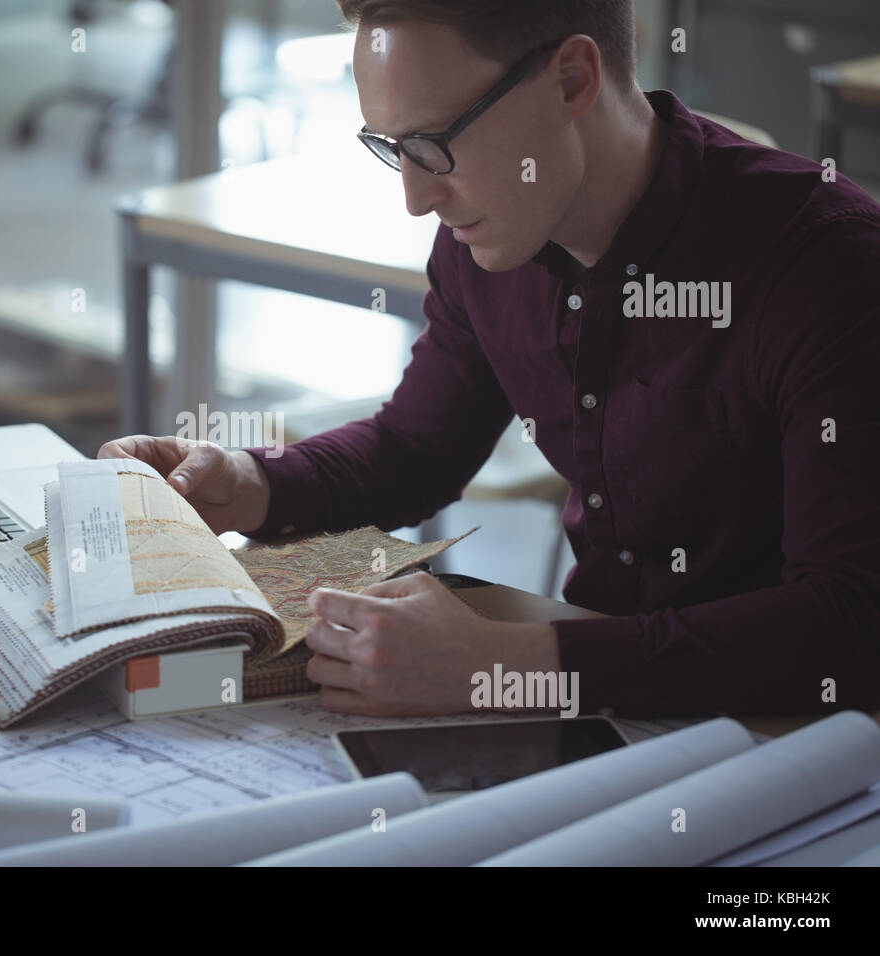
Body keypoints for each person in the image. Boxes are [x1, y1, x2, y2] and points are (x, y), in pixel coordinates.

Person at [99, 0, 880, 719]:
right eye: (392, 148)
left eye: (433, 144)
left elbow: (850, 621)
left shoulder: (829, 264)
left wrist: (508, 665)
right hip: (610, 712)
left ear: (572, 79)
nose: (414, 197)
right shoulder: (489, 240)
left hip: (803, 749)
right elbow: (417, 449)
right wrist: (251, 484)